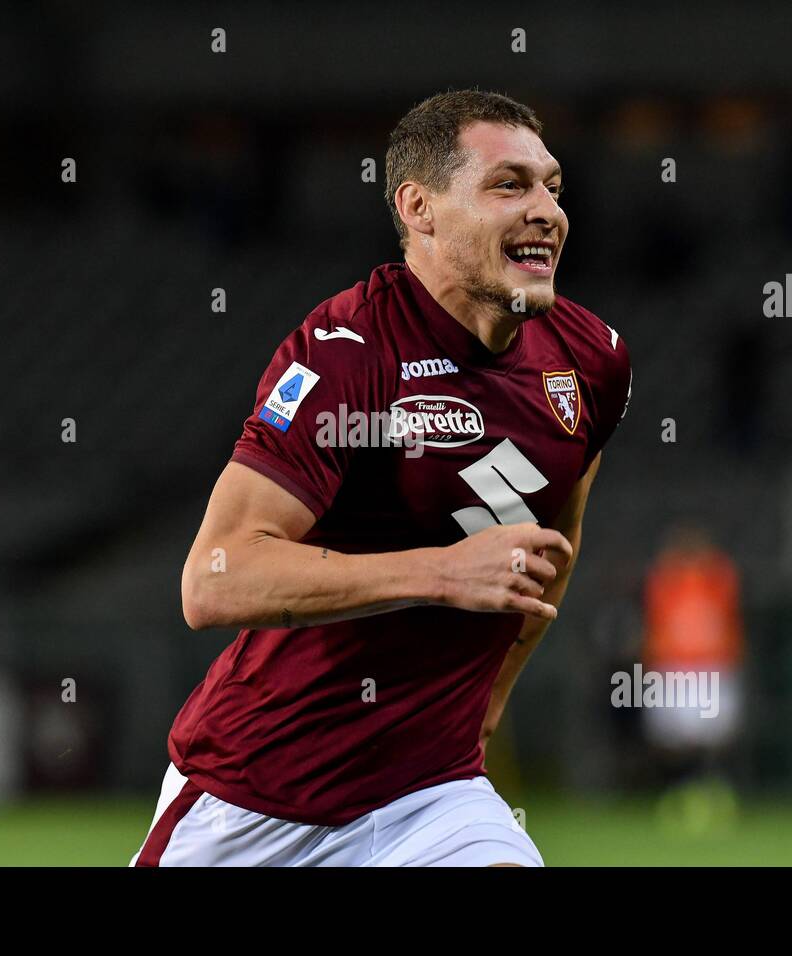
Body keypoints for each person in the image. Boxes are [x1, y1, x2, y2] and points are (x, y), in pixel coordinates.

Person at [131, 90, 632, 866]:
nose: (546, 211)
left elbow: (554, 543)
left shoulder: (591, 360)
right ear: (418, 208)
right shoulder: (347, 352)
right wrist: (441, 574)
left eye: (552, 187)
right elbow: (213, 580)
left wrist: (494, 693)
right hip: (258, 798)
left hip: (434, 795)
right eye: (509, 185)